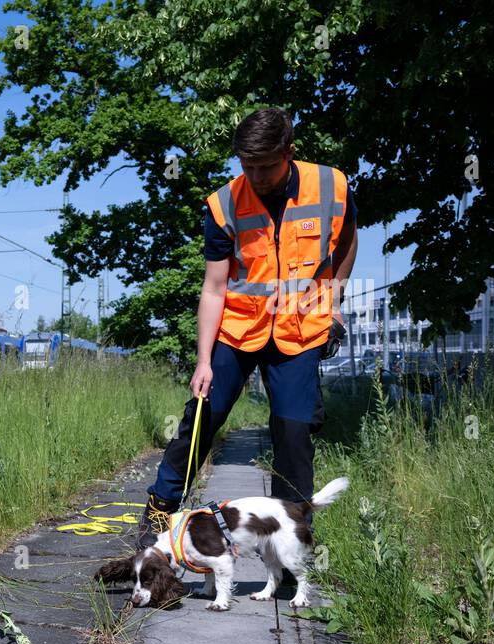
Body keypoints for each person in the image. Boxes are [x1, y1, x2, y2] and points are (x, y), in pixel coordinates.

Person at [136, 107, 359, 548]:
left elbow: (348, 239)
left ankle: (290, 536)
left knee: (293, 433)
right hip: (238, 330)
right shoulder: (223, 205)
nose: (255, 176)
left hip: (299, 331)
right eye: (246, 165)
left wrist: (333, 302)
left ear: (289, 153)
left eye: (266, 166)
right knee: (203, 415)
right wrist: (204, 360)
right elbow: (215, 286)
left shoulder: (332, 185)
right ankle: (161, 510)